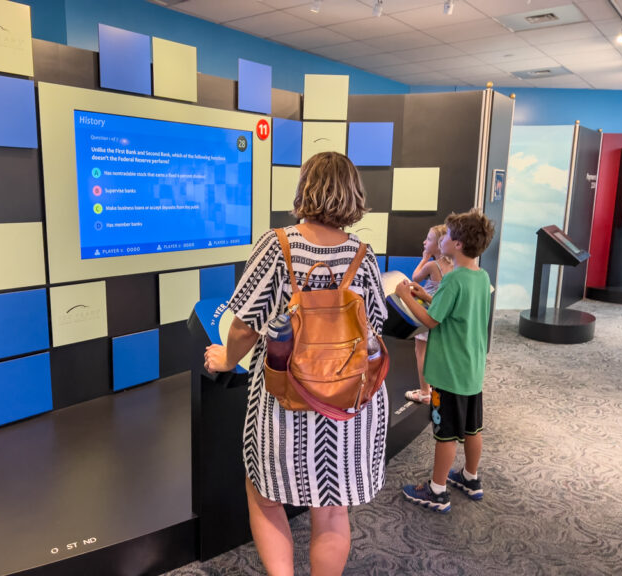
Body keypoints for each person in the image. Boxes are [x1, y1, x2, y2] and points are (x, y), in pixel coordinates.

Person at [204, 151, 389, 576]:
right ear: (353, 195)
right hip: (345, 405)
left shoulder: (279, 244)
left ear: (306, 188)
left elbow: (245, 326)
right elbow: (374, 329)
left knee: (266, 498)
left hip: (284, 401)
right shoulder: (363, 254)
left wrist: (227, 359)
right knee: (330, 510)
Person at [394, 209, 494, 514]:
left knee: (446, 434)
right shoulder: (480, 277)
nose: (443, 239)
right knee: (472, 429)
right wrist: (425, 294)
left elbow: (431, 321)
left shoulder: (452, 280)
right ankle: (470, 478)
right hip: (471, 372)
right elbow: (453, 311)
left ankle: (437, 491)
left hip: (448, 374)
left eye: (448, 235)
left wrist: (406, 295)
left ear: (458, 245)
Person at [405, 224, 453, 405]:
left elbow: (415, 277)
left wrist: (424, 258)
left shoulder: (433, 265)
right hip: (443, 316)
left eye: (429, 239)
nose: (425, 242)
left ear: (440, 243)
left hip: (428, 313)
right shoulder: (453, 267)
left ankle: (425, 392)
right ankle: (436, 388)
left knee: (421, 352)